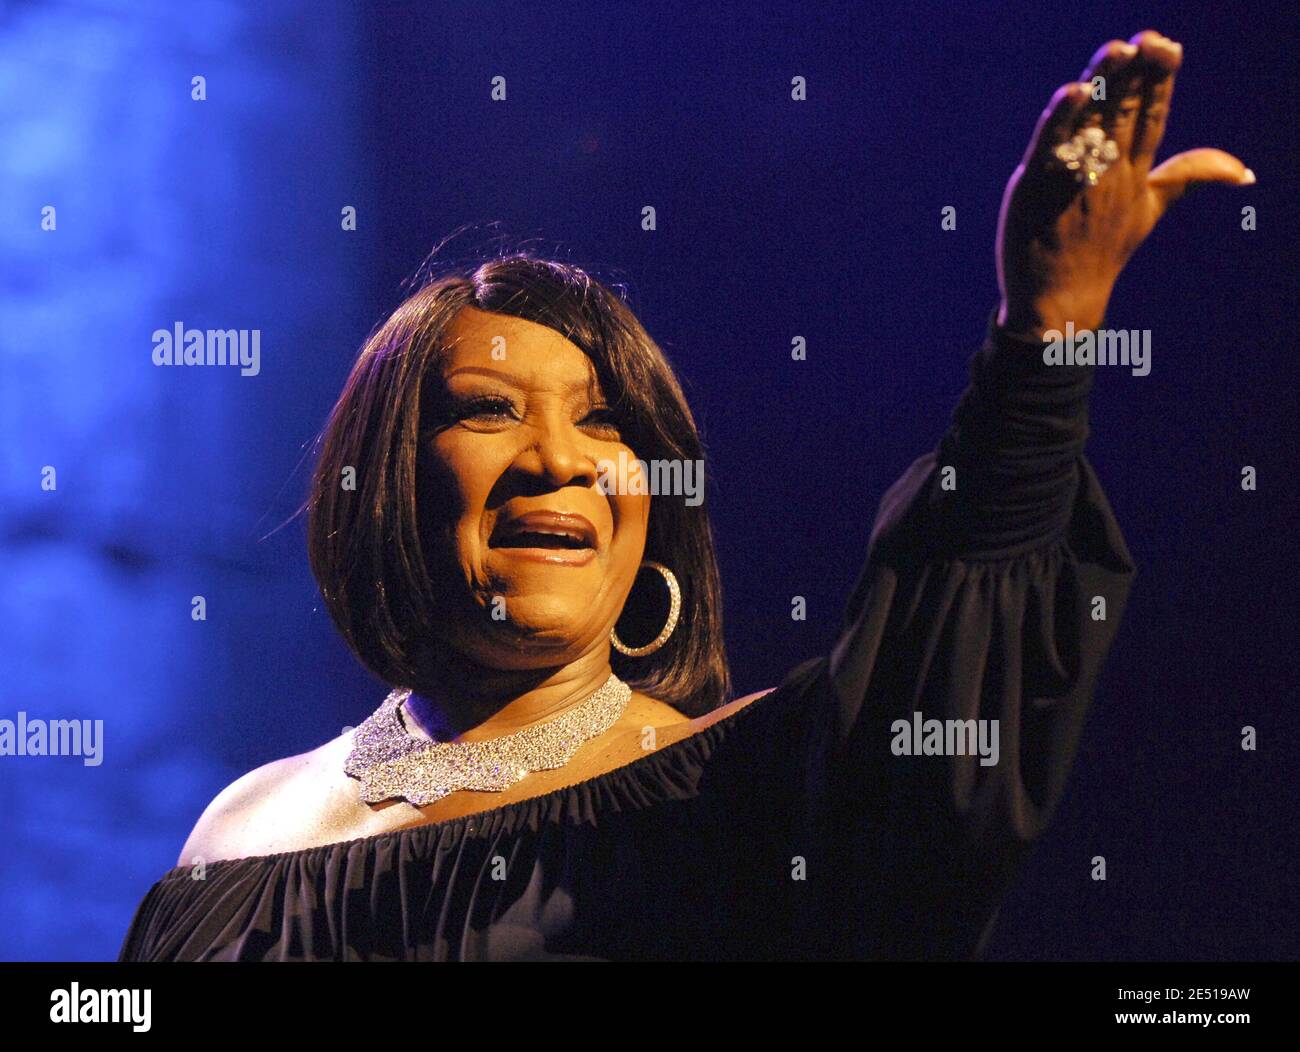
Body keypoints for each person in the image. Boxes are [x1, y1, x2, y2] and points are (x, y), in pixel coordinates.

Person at [118, 30, 1252, 961]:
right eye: (488, 409)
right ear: (384, 485)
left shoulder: (744, 799)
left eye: (604, 419)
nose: (560, 457)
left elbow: (949, 660)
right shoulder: (234, 845)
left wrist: (1042, 334)